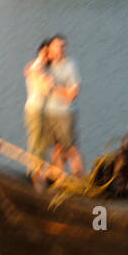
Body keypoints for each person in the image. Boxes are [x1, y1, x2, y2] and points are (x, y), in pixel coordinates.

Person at [44, 34, 84, 176]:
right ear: (50, 48)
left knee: (71, 149)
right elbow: (30, 70)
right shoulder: (48, 64)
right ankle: (56, 178)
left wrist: (54, 88)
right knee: (56, 148)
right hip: (50, 113)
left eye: (62, 46)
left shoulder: (70, 66)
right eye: (56, 46)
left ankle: (79, 178)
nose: (60, 49)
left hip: (65, 114)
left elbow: (72, 95)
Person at [24, 39, 54, 182]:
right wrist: (48, 81)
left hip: (40, 110)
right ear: (42, 52)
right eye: (48, 53)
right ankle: (34, 175)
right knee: (36, 143)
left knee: (41, 144)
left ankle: (39, 173)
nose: (50, 56)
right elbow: (45, 89)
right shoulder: (37, 67)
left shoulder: (40, 67)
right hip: (34, 110)